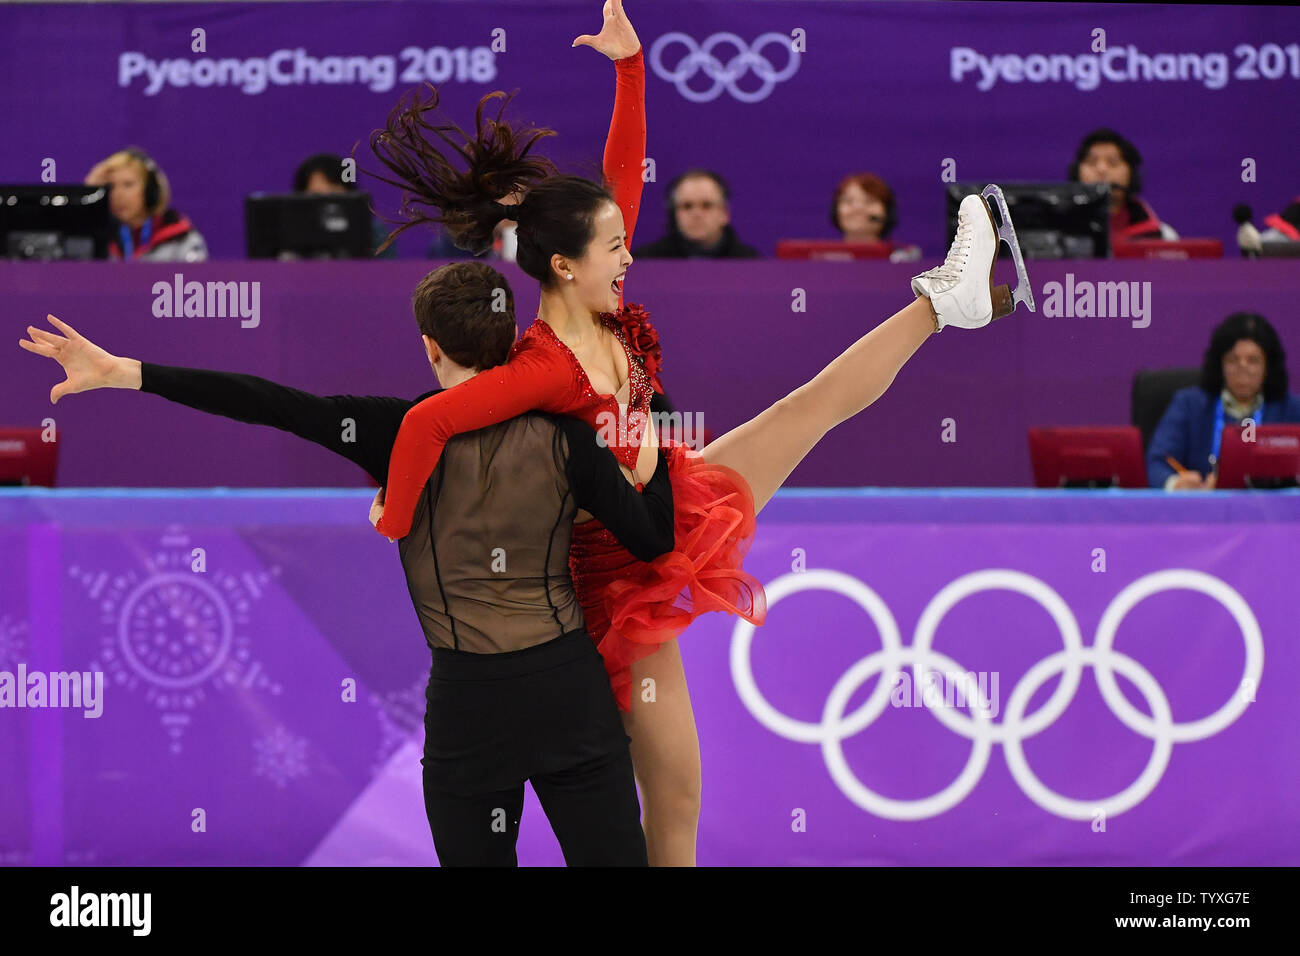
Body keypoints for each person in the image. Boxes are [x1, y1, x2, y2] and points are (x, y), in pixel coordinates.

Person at [366, 0, 1031, 866]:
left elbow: (621, 175)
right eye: (613, 244)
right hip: (598, 589)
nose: (630, 252)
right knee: (664, 806)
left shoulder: (598, 305)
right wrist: (395, 518)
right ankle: (948, 303)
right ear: (566, 263)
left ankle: (947, 302)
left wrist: (630, 68)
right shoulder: (540, 366)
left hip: (663, 514)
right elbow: (424, 421)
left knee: (806, 411)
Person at [18, 258, 677, 867]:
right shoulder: (568, 437)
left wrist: (125, 372)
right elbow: (652, 540)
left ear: (431, 347)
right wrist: (657, 434)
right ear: (510, 343)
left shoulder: (393, 431)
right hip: (568, 693)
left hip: (472, 708)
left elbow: (267, 402)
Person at [1146, 312, 1300, 490]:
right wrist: (1176, 484)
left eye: (1253, 360)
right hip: (1204, 510)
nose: (1243, 368)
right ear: (1220, 365)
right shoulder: (1189, 405)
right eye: (1233, 360)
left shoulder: (1291, 410)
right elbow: (1157, 461)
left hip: (1272, 513)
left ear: (1268, 367)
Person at [83, 148, 208, 261]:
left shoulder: (181, 239)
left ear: (150, 191)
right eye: (111, 186)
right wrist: (89, 192)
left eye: (128, 184)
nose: (117, 195)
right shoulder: (99, 239)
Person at [1069, 127, 1177, 243]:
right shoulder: (1059, 232)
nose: (1101, 169)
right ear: (1076, 172)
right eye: (1091, 162)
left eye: (1113, 162)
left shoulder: (1162, 236)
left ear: (1131, 174)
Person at [631, 169, 759, 258]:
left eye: (707, 205)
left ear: (724, 213)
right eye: (687, 206)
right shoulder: (647, 261)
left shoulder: (751, 263)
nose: (696, 214)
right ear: (674, 214)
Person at [292, 152, 398, 259]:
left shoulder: (374, 233)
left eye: (334, 194)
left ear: (350, 193)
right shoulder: (288, 236)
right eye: (317, 195)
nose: (327, 203)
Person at [831, 173, 897, 243]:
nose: (858, 208)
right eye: (848, 201)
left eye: (870, 201)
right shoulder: (822, 253)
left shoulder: (901, 254)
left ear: (887, 212)